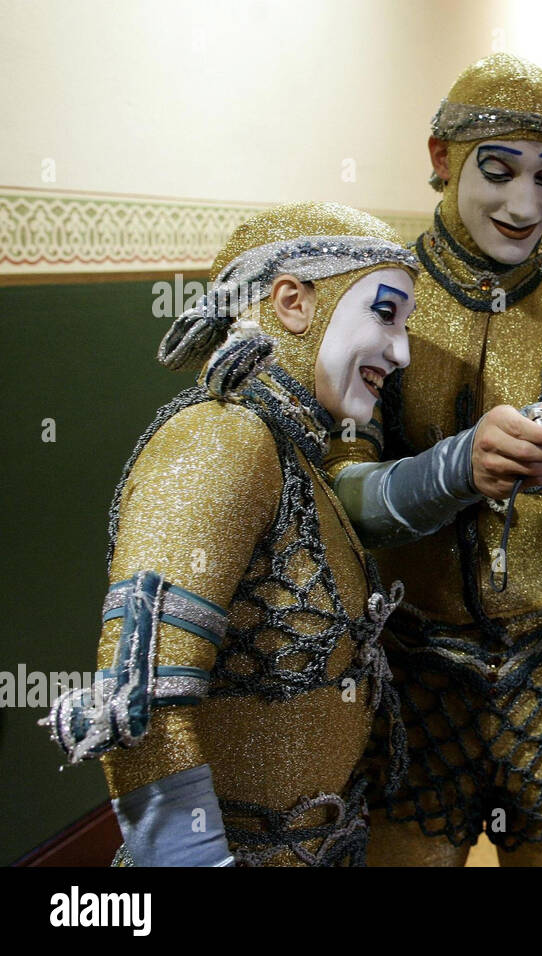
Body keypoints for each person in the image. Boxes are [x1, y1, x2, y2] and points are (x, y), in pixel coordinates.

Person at [325, 53, 542, 866]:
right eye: (499, 170)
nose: (526, 206)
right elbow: (341, 504)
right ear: (440, 159)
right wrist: (455, 468)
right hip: (414, 676)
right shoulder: (381, 303)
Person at [43, 201, 419, 866]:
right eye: (386, 314)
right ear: (292, 303)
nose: (402, 350)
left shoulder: (297, 448)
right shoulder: (224, 440)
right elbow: (144, 710)